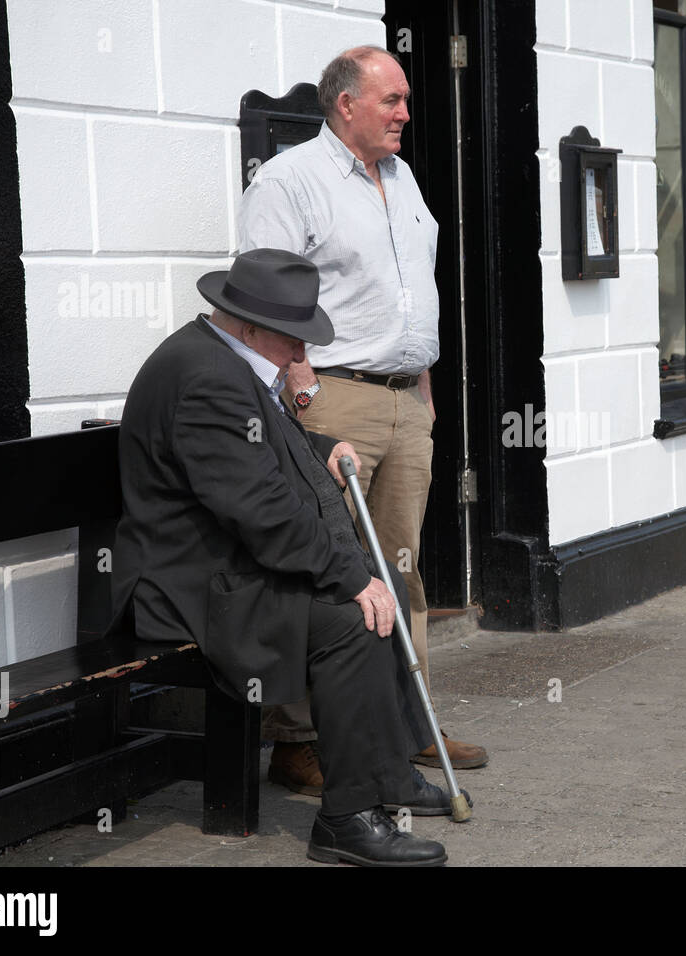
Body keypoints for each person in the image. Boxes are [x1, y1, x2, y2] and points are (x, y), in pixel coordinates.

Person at [109, 248, 469, 866]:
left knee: (371, 587)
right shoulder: (208, 379)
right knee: (356, 615)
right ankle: (348, 818)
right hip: (187, 585)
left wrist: (320, 445)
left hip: (220, 564)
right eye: (294, 342)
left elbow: (263, 446)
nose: (303, 358)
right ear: (249, 325)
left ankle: (383, 772)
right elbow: (263, 511)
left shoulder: (222, 358)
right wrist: (351, 579)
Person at [238, 44, 487, 793]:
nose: (407, 113)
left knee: (399, 568)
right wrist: (304, 388)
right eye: (394, 100)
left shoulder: (403, 178)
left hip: (407, 400)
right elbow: (262, 292)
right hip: (335, 395)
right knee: (320, 569)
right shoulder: (290, 180)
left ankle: (405, 721)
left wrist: (426, 388)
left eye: (407, 99)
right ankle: (298, 738)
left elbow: (414, 291)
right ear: (346, 103)